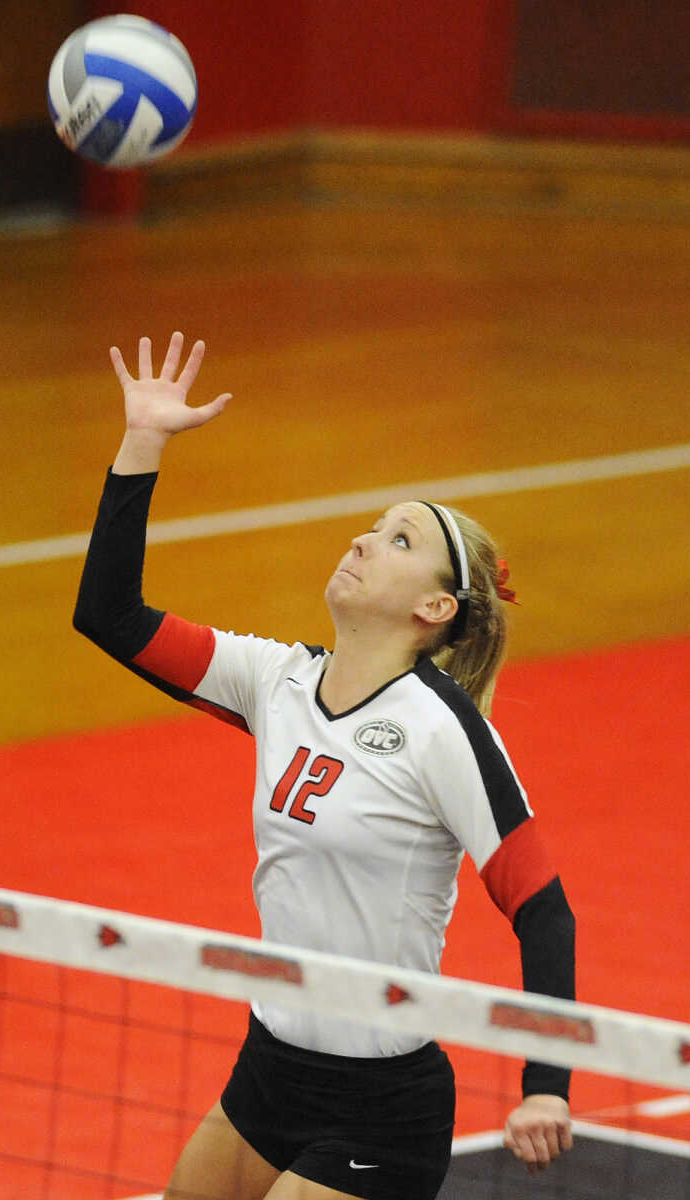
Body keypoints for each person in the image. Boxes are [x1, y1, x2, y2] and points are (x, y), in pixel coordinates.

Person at [74, 332, 576, 1200]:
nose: (363, 538)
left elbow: (544, 907)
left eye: (398, 537)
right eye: (373, 525)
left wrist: (546, 1084)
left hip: (381, 1106)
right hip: (268, 1072)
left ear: (434, 605)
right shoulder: (276, 681)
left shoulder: (440, 730)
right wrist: (141, 445)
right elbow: (110, 615)